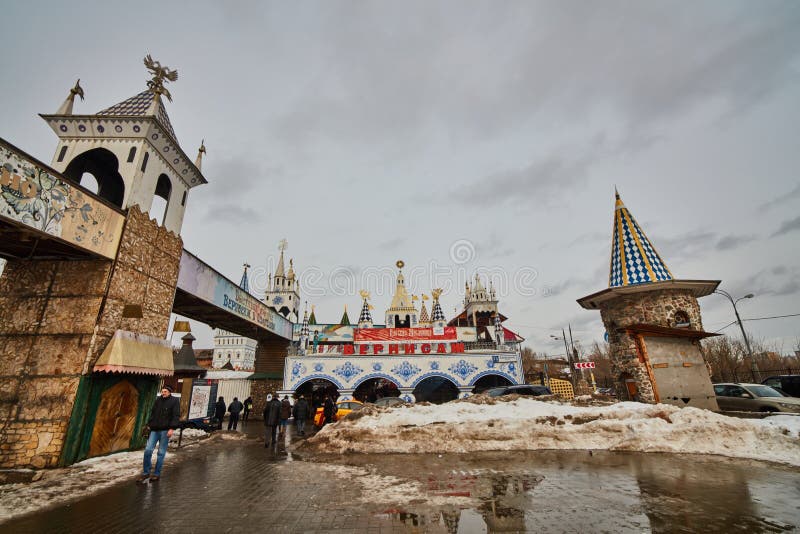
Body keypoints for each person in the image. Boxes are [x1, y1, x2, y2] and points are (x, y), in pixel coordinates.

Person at [137, 385, 180, 483]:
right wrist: (149, 424)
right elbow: (153, 413)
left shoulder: (174, 401)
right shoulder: (158, 400)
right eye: (162, 391)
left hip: (165, 430)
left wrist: (172, 428)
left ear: (169, 392)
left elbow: (176, 415)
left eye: (165, 391)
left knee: (161, 453)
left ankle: (156, 474)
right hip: (154, 430)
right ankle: (146, 472)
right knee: (148, 450)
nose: (163, 393)